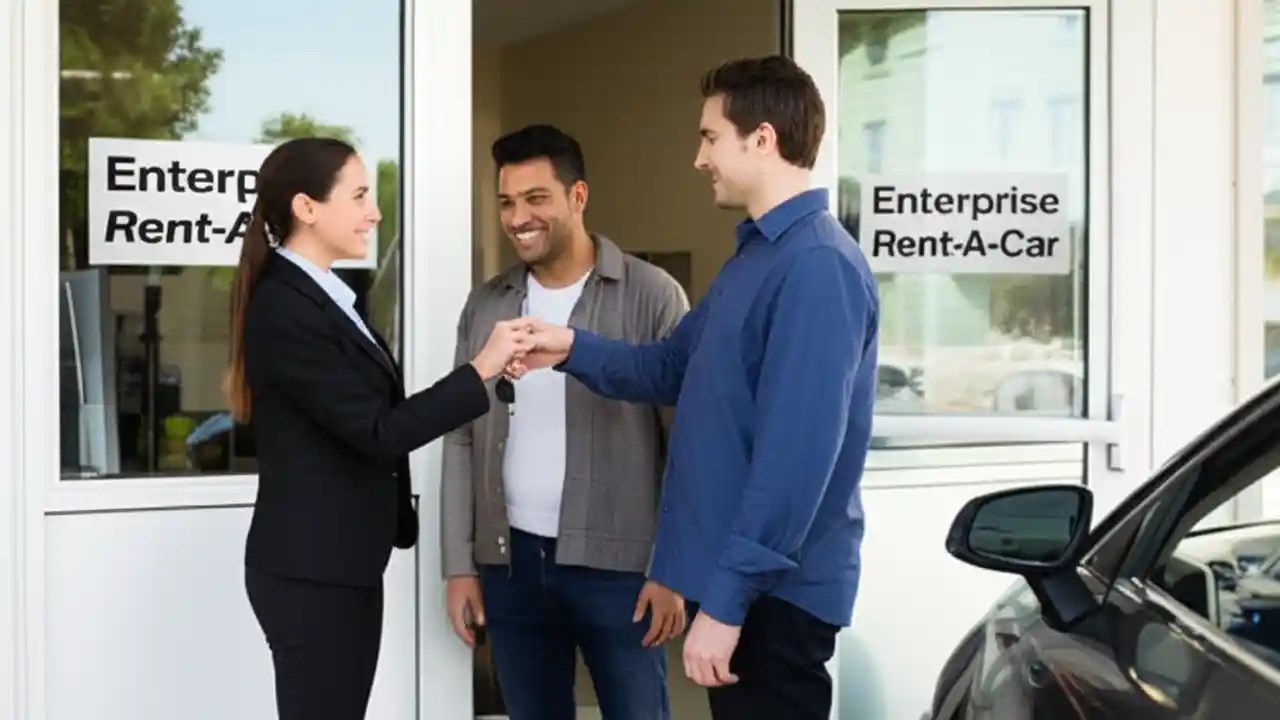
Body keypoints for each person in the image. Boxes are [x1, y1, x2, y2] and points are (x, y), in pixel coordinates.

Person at [512, 56, 879, 719]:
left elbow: (794, 461)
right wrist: (569, 346)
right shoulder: (758, 258)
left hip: (776, 601)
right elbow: (671, 368)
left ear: (761, 139)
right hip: (741, 590)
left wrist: (730, 602)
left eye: (710, 137)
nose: (698, 157)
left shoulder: (818, 266)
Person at [225, 136, 532, 720]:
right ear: (306, 208)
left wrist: (482, 374)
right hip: (311, 572)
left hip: (338, 563)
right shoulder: (285, 309)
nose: (375, 211)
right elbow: (379, 431)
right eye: (360, 195)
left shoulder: (326, 296)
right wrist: (480, 370)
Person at [440, 124, 690, 719]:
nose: (518, 217)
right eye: (506, 201)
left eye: (536, 198)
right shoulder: (487, 303)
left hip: (622, 573)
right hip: (511, 567)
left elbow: (690, 443)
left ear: (578, 197)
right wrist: (459, 564)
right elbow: (459, 437)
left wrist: (675, 570)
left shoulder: (650, 295)